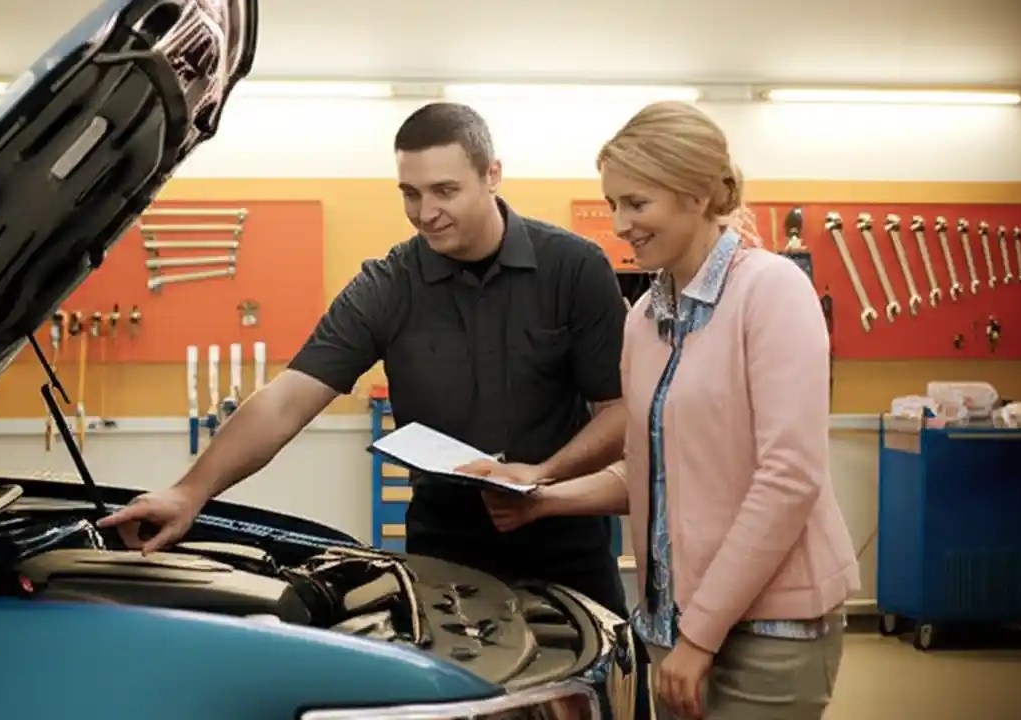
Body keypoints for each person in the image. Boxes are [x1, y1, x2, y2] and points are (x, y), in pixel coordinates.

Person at [97, 101, 651, 716]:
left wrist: (539, 475)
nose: (425, 213)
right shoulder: (389, 283)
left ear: (492, 174)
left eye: (445, 190)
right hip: (445, 550)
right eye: (409, 193)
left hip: (564, 541)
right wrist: (189, 491)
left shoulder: (574, 269)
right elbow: (288, 398)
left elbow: (621, 411)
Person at [462, 101, 861, 720]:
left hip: (768, 630)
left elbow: (789, 479)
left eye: (636, 203)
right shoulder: (647, 319)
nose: (620, 223)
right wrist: (541, 493)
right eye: (614, 203)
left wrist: (700, 635)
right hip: (672, 628)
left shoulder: (772, 292)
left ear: (697, 195)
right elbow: (651, 469)